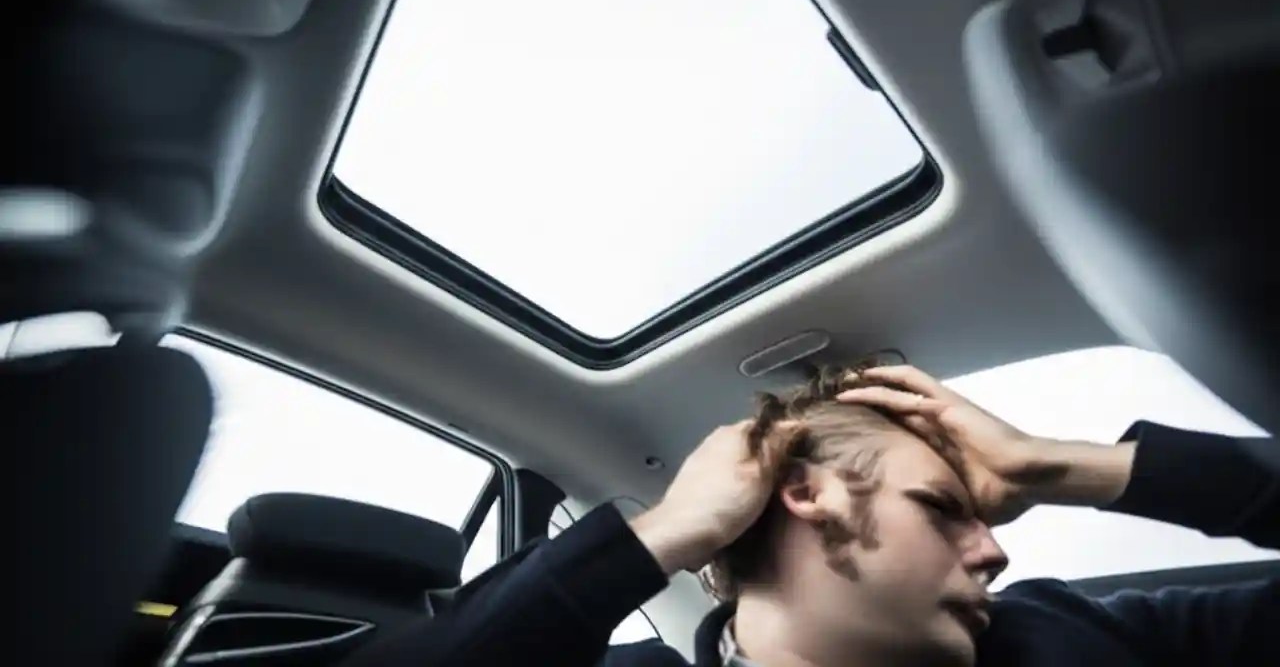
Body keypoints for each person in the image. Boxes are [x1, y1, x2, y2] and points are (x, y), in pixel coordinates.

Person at [343, 365, 1278, 667]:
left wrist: (1077, 466)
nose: (992, 551)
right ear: (804, 495)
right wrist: (665, 533)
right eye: (943, 509)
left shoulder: (1067, 633)